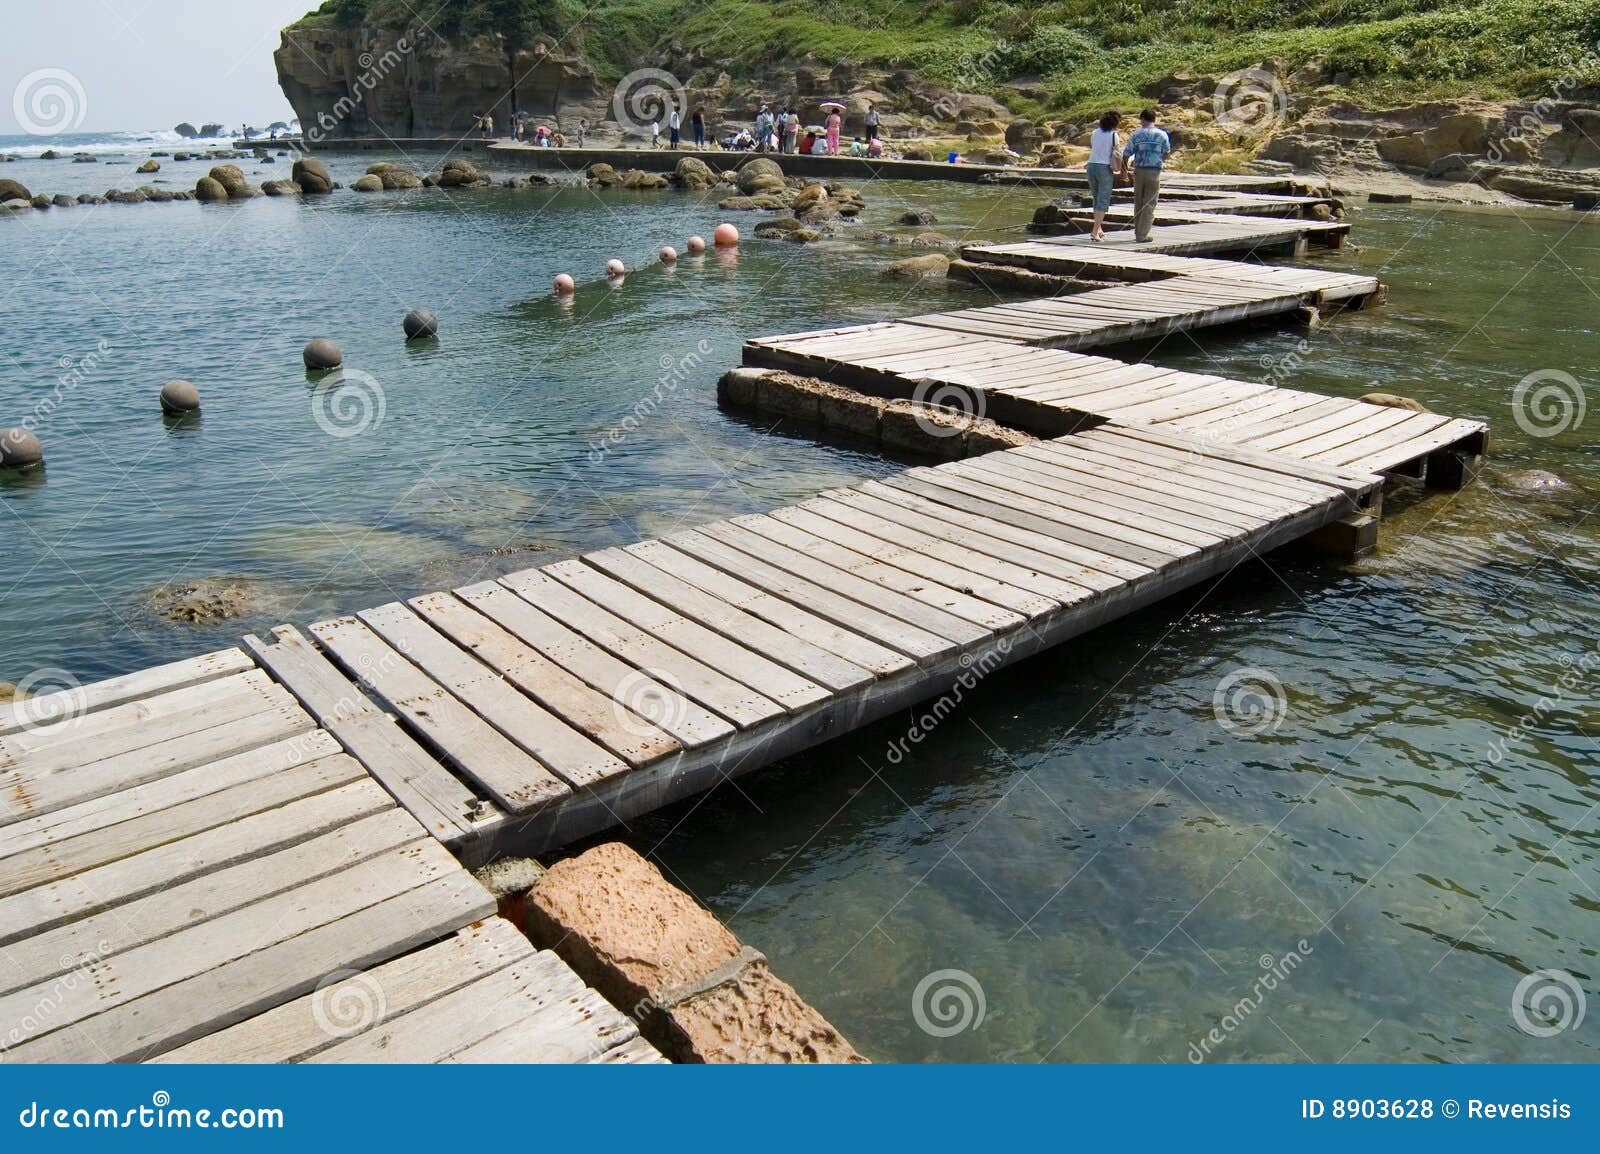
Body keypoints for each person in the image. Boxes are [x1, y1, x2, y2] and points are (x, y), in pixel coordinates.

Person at [1122, 108, 1172, 243]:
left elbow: (1126, 154)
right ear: (1154, 119)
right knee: (1149, 203)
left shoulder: (1136, 135)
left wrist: (1124, 171)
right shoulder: (1162, 135)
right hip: (1154, 172)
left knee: (1138, 201)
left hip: (1138, 171)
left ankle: (1138, 232)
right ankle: (1142, 235)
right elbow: (1167, 153)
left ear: (1142, 119)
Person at [1086, 109, 1123, 242]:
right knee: (1103, 199)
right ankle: (1094, 231)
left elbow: (1094, 147)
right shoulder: (1114, 135)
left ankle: (1099, 228)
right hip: (1105, 167)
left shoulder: (1095, 132)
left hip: (1091, 165)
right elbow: (1117, 152)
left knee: (1096, 197)